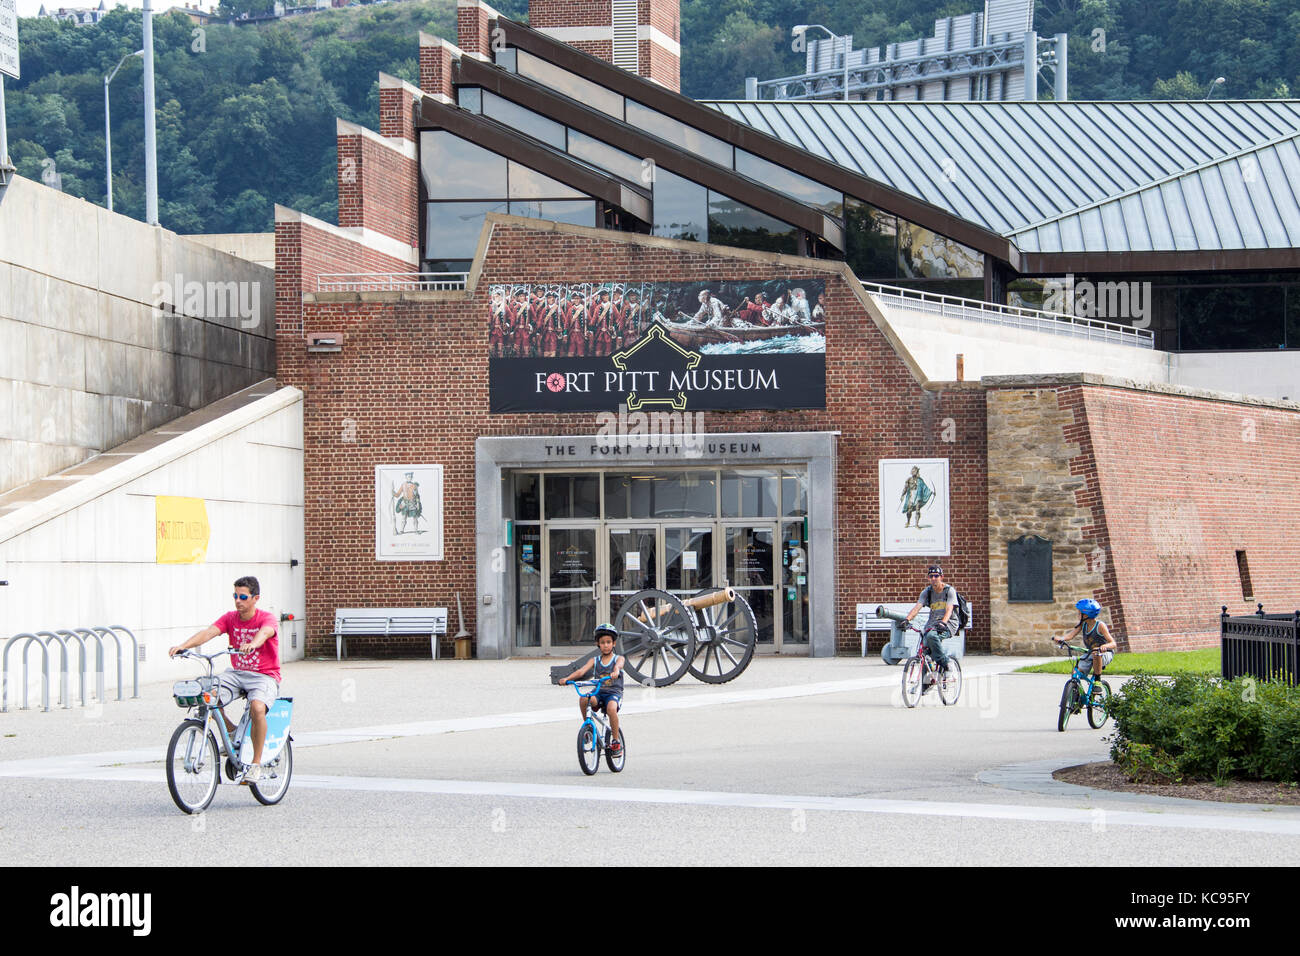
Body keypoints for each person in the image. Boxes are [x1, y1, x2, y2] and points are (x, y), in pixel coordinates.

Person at [168, 576, 281, 784]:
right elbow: (209, 632)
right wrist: (184, 646)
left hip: (264, 676)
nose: (238, 601)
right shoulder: (230, 618)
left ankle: (255, 764)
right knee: (207, 692)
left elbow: (266, 632)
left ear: (255, 598)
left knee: (257, 708)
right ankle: (231, 732)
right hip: (237, 674)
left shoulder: (266, 618)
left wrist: (253, 644)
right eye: (235, 596)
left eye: (243, 597)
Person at [558, 623, 624, 755]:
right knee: (584, 699)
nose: (606, 645)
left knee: (611, 709)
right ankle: (588, 729)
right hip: (599, 692)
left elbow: (619, 665)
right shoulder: (595, 660)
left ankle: (616, 741)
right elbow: (581, 671)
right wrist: (567, 679)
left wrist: (616, 671)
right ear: (598, 644)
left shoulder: (618, 658)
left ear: (614, 644)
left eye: (608, 642)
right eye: (602, 642)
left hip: (614, 693)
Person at [904, 564, 957, 680]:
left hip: (948, 624)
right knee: (924, 653)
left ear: (941, 577)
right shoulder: (926, 592)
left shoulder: (949, 591)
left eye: (936, 576)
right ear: (928, 578)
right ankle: (925, 684)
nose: (933, 578)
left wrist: (943, 623)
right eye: (931, 576)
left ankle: (947, 664)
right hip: (932, 624)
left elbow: (949, 610)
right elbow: (917, 607)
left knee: (932, 636)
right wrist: (907, 619)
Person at [1054, 599, 1116, 678]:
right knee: (1075, 673)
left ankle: (1097, 680)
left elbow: (1113, 643)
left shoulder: (1100, 626)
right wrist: (1061, 639)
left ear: (1086, 615)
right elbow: (1070, 635)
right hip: (1090, 653)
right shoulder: (1083, 624)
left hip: (1105, 654)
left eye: (1079, 613)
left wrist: (1104, 647)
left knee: (1096, 654)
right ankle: (1074, 688)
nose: (1078, 614)